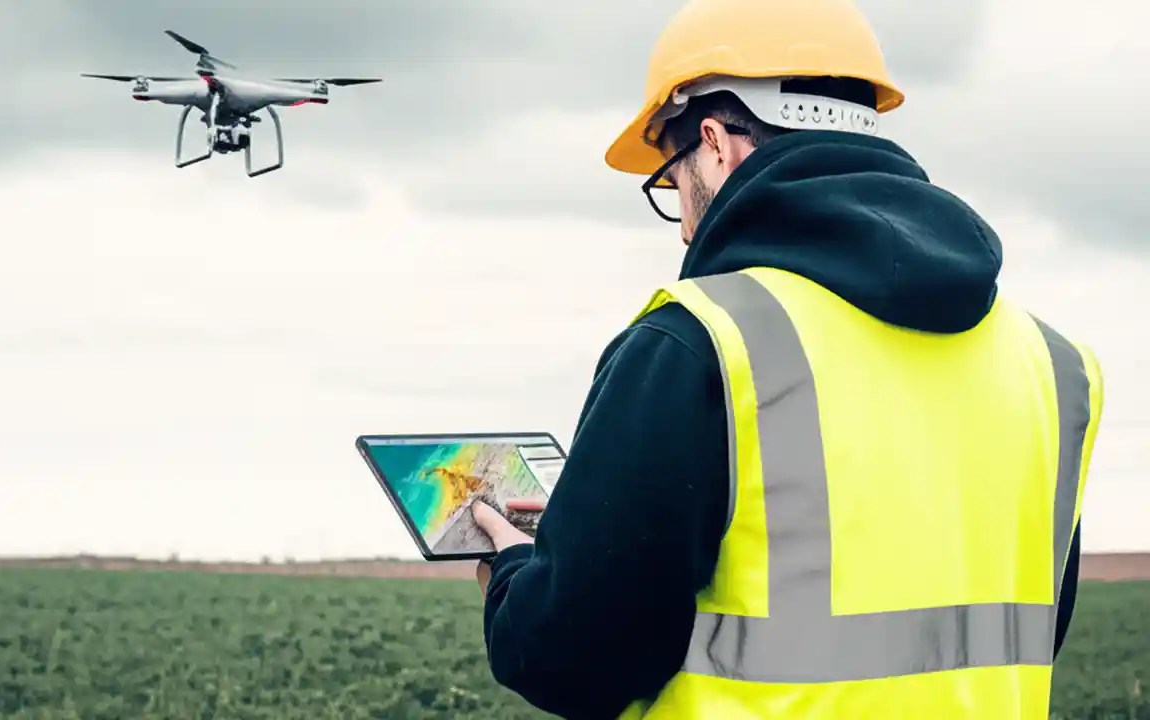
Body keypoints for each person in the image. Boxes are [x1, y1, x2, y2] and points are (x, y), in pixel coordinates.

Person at [471, 0, 1104, 718]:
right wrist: (601, 524)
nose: (684, 229)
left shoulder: (697, 344)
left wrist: (518, 572)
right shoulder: (1054, 367)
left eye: (672, 182)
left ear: (715, 143)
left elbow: (571, 659)